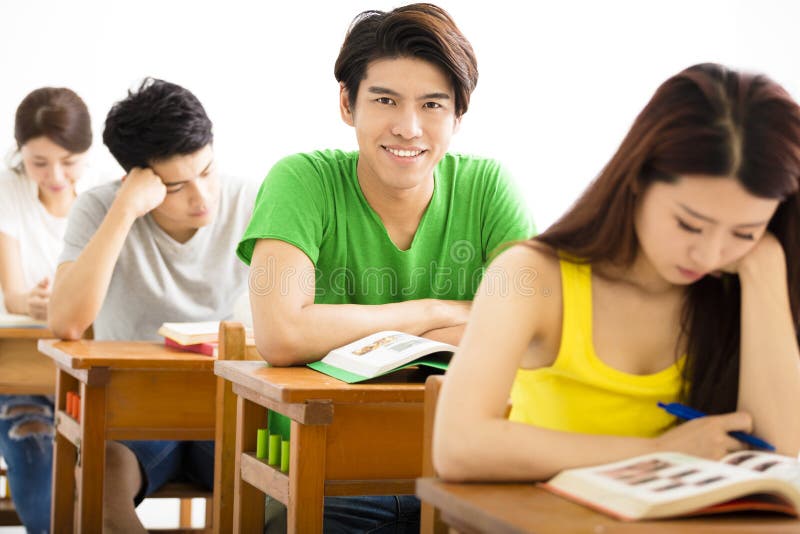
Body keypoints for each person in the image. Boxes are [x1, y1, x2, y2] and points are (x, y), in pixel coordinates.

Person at [237, 3, 534, 531]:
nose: (408, 127)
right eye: (385, 100)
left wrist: (325, 328)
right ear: (348, 104)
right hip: (323, 472)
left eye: (433, 104)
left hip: (463, 471)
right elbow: (281, 334)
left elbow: (531, 335)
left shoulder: (490, 188)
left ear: (458, 116)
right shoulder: (300, 182)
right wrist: (436, 311)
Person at [433, 63, 800, 483]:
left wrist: (766, 264)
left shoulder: (740, 284)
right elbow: (458, 446)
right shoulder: (531, 276)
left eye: (744, 231)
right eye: (690, 224)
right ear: (638, 178)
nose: (710, 253)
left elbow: (779, 456)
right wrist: (660, 453)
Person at [48, 78, 255, 533]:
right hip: (134, 416)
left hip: (228, 409)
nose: (202, 197)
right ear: (136, 178)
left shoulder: (252, 202)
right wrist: (124, 210)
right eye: (177, 185)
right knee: (101, 490)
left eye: (207, 171)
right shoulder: (101, 208)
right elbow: (65, 321)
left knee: (276, 492)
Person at [0, 87, 94, 533]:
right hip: (24, 370)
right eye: (39, 163)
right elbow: (15, 295)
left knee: (109, 474)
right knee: (39, 468)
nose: (55, 175)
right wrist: (43, 301)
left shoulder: (101, 197)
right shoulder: (9, 188)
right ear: (22, 154)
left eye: (68, 161)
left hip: (91, 372)